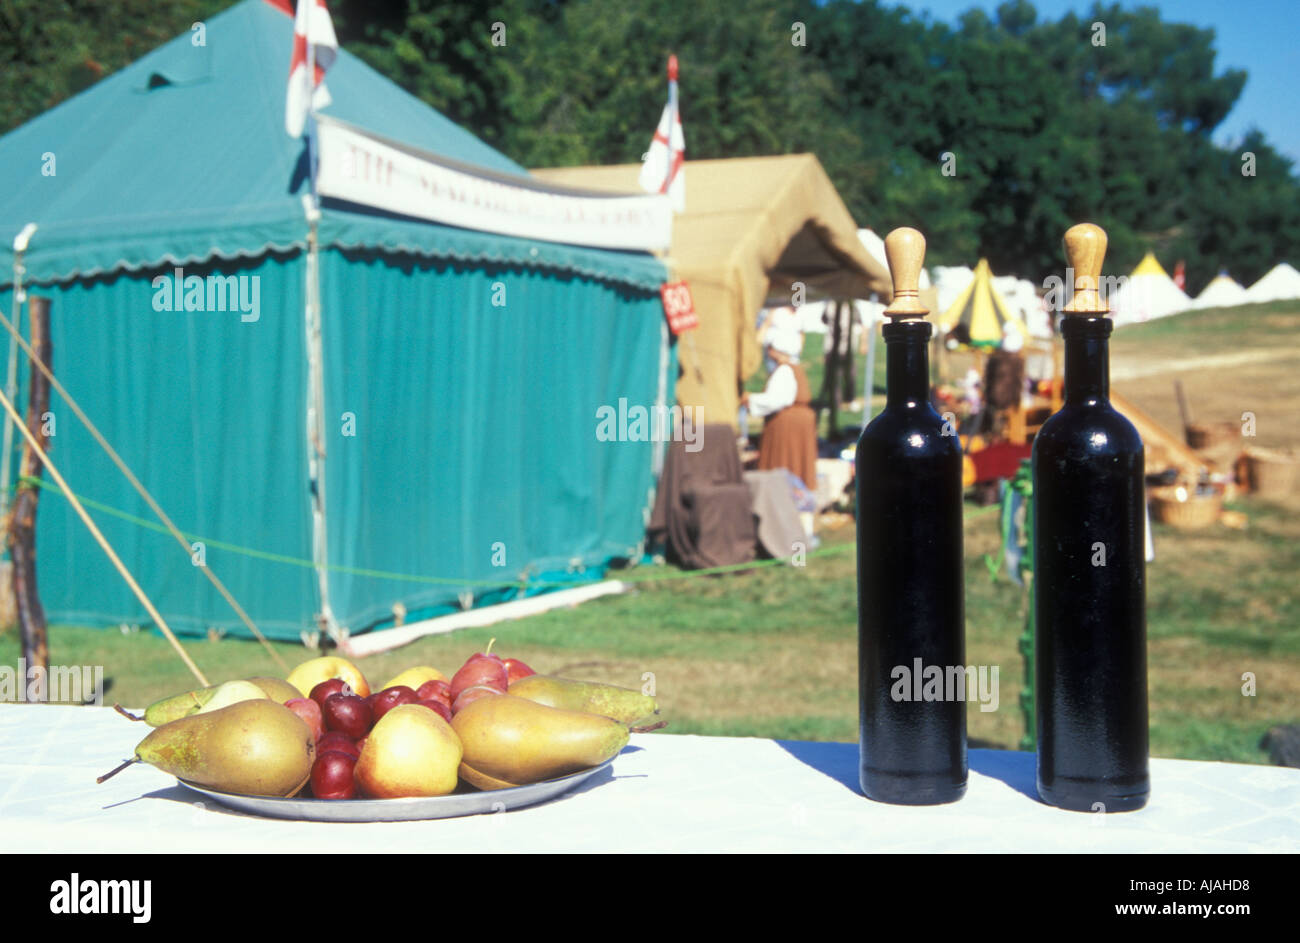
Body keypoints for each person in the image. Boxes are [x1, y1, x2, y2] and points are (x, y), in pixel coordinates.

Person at [741, 324, 818, 492]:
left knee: (785, 460)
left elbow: (777, 399)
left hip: (788, 425)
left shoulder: (784, 370)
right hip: (797, 422)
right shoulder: (794, 369)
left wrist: (749, 399)